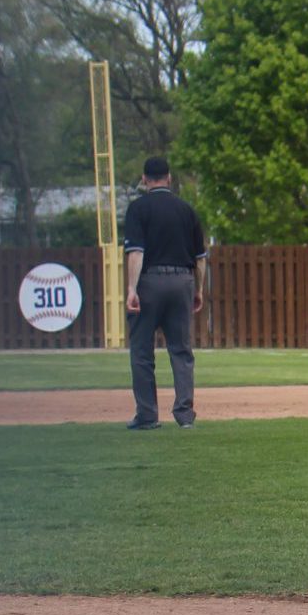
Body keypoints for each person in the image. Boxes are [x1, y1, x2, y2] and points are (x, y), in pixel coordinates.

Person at [122, 155, 207, 429]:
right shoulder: (186, 210)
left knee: (142, 351)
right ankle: (184, 415)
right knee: (181, 350)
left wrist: (132, 288)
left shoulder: (138, 209)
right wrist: (198, 289)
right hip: (182, 280)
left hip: (149, 281)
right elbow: (200, 257)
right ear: (169, 178)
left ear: (144, 179)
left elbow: (136, 252)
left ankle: (147, 415)